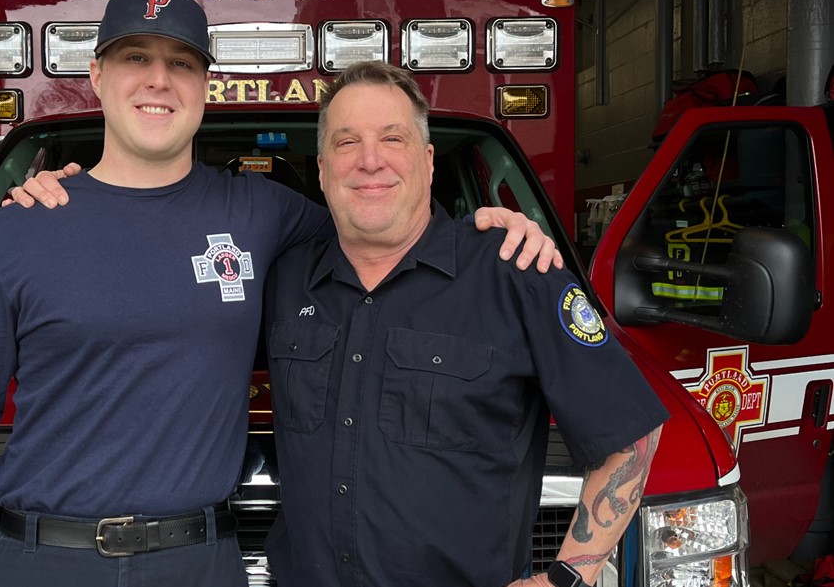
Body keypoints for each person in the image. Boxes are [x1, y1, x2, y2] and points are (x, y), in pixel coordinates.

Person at [0, 0, 558, 587]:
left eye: (182, 63)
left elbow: (383, 226)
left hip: (201, 561)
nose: (159, 80)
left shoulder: (262, 211)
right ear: (97, 75)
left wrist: (486, 232)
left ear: (205, 85)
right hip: (44, 560)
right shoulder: (19, 232)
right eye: (136, 58)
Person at [260, 61, 668, 587]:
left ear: (428, 161)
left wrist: (569, 576)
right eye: (346, 142)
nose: (370, 160)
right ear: (321, 169)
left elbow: (631, 431)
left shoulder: (517, 271)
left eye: (393, 138)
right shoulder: (284, 277)